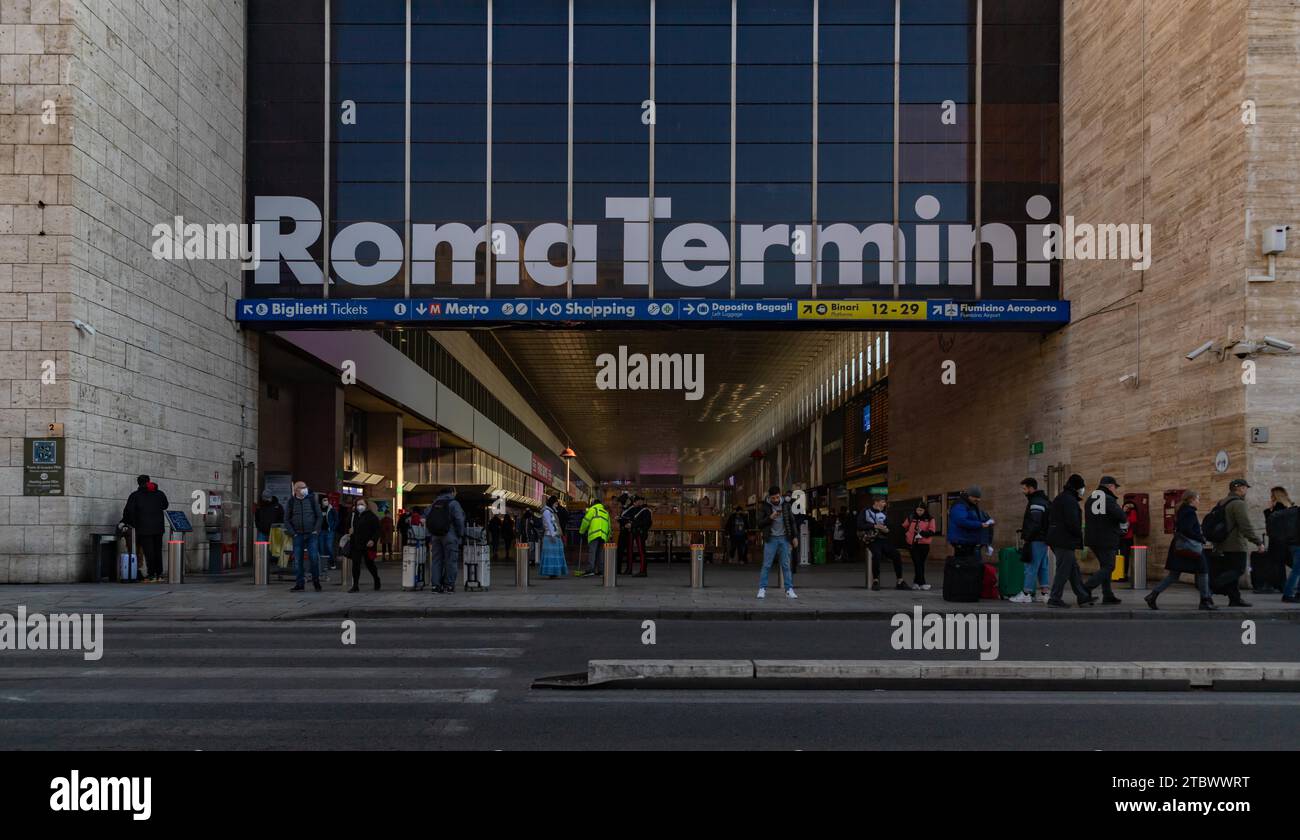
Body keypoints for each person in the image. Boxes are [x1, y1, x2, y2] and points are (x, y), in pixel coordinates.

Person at [1145, 491, 1215, 610]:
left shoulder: (1182, 510)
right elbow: (1186, 530)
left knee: (1174, 575)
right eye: (1198, 499)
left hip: (1180, 547)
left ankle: (1153, 595)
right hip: (1189, 548)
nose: (1199, 501)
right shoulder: (1189, 512)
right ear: (1191, 499)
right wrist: (1201, 538)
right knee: (1203, 571)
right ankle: (1205, 601)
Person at [1209, 478, 1263, 607]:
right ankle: (1211, 585)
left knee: (1231, 571)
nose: (1246, 490)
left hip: (1222, 544)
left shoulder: (1222, 502)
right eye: (1245, 487)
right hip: (1235, 544)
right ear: (1239, 488)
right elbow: (1245, 526)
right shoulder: (1238, 504)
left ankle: (1235, 599)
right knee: (1238, 570)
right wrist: (1257, 541)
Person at [1047, 473, 1092, 607]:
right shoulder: (1069, 500)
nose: (1083, 490)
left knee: (1073, 569)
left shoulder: (1062, 498)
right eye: (1082, 487)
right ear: (1077, 487)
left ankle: (1083, 596)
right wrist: (1078, 535)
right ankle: (1054, 598)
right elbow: (1072, 523)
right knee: (1064, 570)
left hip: (1058, 538)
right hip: (1064, 540)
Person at [1082, 476, 1126, 605]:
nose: (1115, 490)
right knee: (1109, 566)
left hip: (1093, 539)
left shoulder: (1090, 499)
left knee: (1104, 566)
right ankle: (1086, 588)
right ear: (1110, 486)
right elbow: (1121, 516)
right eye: (1114, 487)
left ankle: (1108, 595)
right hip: (1107, 538)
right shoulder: (1109, 499)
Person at [1010, 478, 1052, 604]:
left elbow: (1035, 522)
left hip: (1036, 539)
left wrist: (1027, 536)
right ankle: (1045, 594)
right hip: (1043, 539)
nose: (1023, 491)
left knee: (1030, 566)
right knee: (1042, 567)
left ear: (1031, 488)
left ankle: (1026, 594)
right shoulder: (1044, 500)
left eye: (1024, 488)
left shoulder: (1036, 502)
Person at [946, 486, 994, 592]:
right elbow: (962, 521)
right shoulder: (960, 505)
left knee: (969, 565)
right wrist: (980, 525)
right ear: (969, 496)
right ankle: (962, 588)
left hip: (969, 541)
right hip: (961, 541)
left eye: (979, 498)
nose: (978, 500)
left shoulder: (970, 505)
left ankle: (968, 587)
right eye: (975, 497)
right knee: (963, 565)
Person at [122, 474, 169, 581]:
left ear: (138, 483)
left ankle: (151, 574)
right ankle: (159, 574)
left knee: (149, 552)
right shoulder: (160, 493)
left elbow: (129, 511)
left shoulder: (135, 495)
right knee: (157, 550)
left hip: (143, 528)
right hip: (158, 527)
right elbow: (165, 505)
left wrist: (131, 523)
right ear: (149, 481)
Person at [757, 486, 797, 599]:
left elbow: (792, 521)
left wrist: (794, 537)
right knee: (766, 564)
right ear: (770, 497)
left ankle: (789, 589)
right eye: (773, 498)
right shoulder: (765, 507)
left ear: (780, 495)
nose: (776, 500)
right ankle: (762, 589)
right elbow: (759, 523)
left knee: (786, 565)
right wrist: (770, 517)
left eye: (777, 497)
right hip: (771, 539)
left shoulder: (786, 505)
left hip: (784, 538)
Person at [283, 480, 323, 592]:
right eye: (302, 487)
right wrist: (293, 533)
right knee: (297, 560)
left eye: (305, 486)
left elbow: (319, 516)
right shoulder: (291, 502)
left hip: (311, 534)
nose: (305, 489)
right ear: (296, 490)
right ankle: (300, 584)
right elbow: (286, 519)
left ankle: (316, 582)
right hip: (298, 535)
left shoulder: (311, 500)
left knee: (314, 558)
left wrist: (316, 531)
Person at [426, 486, 466, 593]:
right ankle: (449, 585)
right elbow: (459, 519)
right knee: (451, 560)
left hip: (435, 536)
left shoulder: (433, 504)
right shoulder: (453, 503)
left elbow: (426, 518)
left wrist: (430, 534)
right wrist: (460, 534)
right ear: (452, 492)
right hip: (450, 536)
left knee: (436, 561)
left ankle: (435, 586)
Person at [346, 498, 381, 592]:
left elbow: (377, 530)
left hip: (368, 544)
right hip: (356, 543)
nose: (359, 506)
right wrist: (349, 530)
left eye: (361, 504)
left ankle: (376, 579)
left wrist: (373, 540)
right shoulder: (353, 515)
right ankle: (355, 585)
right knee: (355, 564)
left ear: (366, 505)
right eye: (358, 504)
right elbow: (346, 525)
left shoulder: (372, 516)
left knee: (369, 564)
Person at [902, 502, 936, 590]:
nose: (919, 512)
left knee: (921, 564)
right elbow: (904, 526)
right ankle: (922, 583)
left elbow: (932, 532)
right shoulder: (911, 517)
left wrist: (921, 532)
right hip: (913, 544)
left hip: (924, 545)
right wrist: (907, 534)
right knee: (917, 563)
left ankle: (916, 583)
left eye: (921, 510)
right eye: (917, 510)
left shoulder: (930, 519)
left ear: (925, 510)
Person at [578, 498, 611, 577]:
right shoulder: (606, 512)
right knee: (600, 553)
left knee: (592, 552)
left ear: (594, 503)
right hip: (603, 536)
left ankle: (590, 570)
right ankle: (601, 571)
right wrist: (608, 537)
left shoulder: (593, 509)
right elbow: (609, 527)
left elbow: (586, 521)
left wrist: (581, 531)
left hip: (594, 534)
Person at [540, 495, 568, 578]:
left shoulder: (552, 511)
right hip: (550, 536)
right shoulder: (547, 512)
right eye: (556, 503)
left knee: (555, 555)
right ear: (552, 503)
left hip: (555, 535)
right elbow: (549, 524)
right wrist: (553, 535)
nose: (557, 505)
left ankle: (554, 572)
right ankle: (552, 573)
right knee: (552, 555)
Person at [624, 496, 652, 577]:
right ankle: (631, 569)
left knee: (642, 552)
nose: (638, 502)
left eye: (639, 501)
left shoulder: (646, 510)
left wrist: (632, 525)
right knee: (636, 551)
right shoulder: (636, 509)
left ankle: (643, 571)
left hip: (640, 532)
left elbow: (646, 522)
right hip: (636, 531)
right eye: (637, 501)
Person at [319, 496, 338, 570]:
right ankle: (323, 565)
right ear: (321, 501)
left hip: (329, 531)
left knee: (329, 547)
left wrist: (333, 527)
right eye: (324, 500)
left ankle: (332, 562)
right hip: (321, 531)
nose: (326, 501)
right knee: (321, 548)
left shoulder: (332, 509)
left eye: (327, 500)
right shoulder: (318, 509)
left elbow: (336, 519)